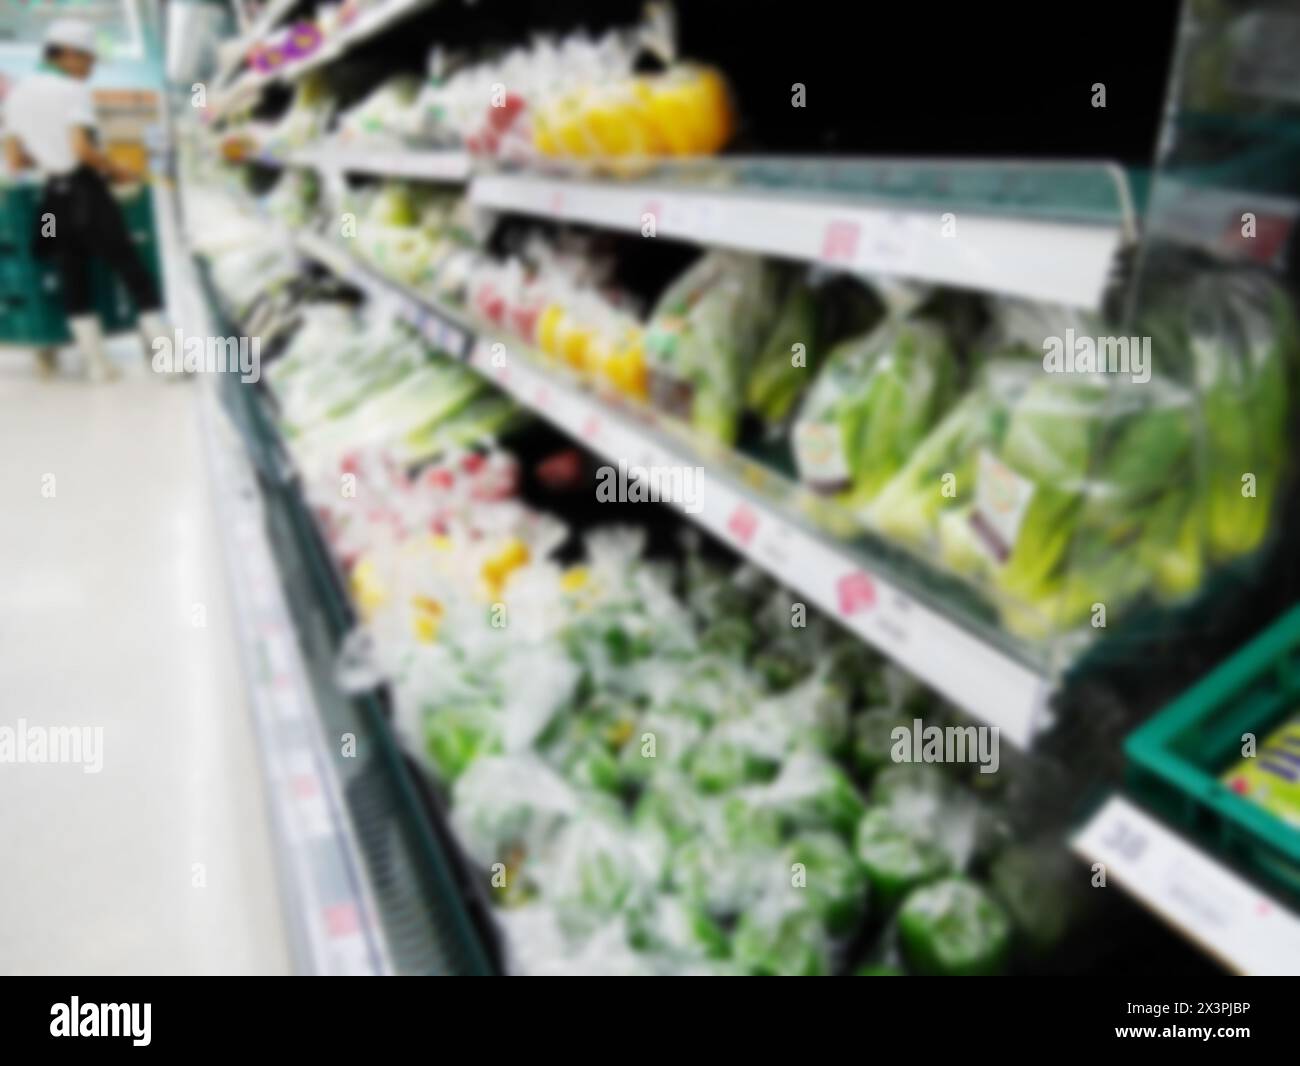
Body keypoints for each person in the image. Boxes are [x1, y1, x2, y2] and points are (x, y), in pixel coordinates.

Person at [3, 17, 166, 382]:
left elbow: (15, 160)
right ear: (68, 54)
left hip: (51, 204)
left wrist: (46, 154)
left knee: (70, 274)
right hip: (86, 195)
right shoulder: (70, 91)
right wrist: (116, 170)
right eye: (88, 60)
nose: (90, 69)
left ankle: (97, 365)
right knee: (131, 270)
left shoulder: (18, 94)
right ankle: (168, 361)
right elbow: (81, 148)